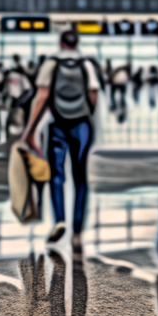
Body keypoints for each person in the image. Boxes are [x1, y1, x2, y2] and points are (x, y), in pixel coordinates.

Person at [22, 30, 100, 244]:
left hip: (58, 124)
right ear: (77, 42)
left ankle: (60, 220)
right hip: (82, 125)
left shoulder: (50, 64)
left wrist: (31, 130)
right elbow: (93, 93)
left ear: (61, 42)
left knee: (57, 174)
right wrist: (86, 112)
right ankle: (77, 226)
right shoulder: (87, 65)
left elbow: (42, 97)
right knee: (80, 176)